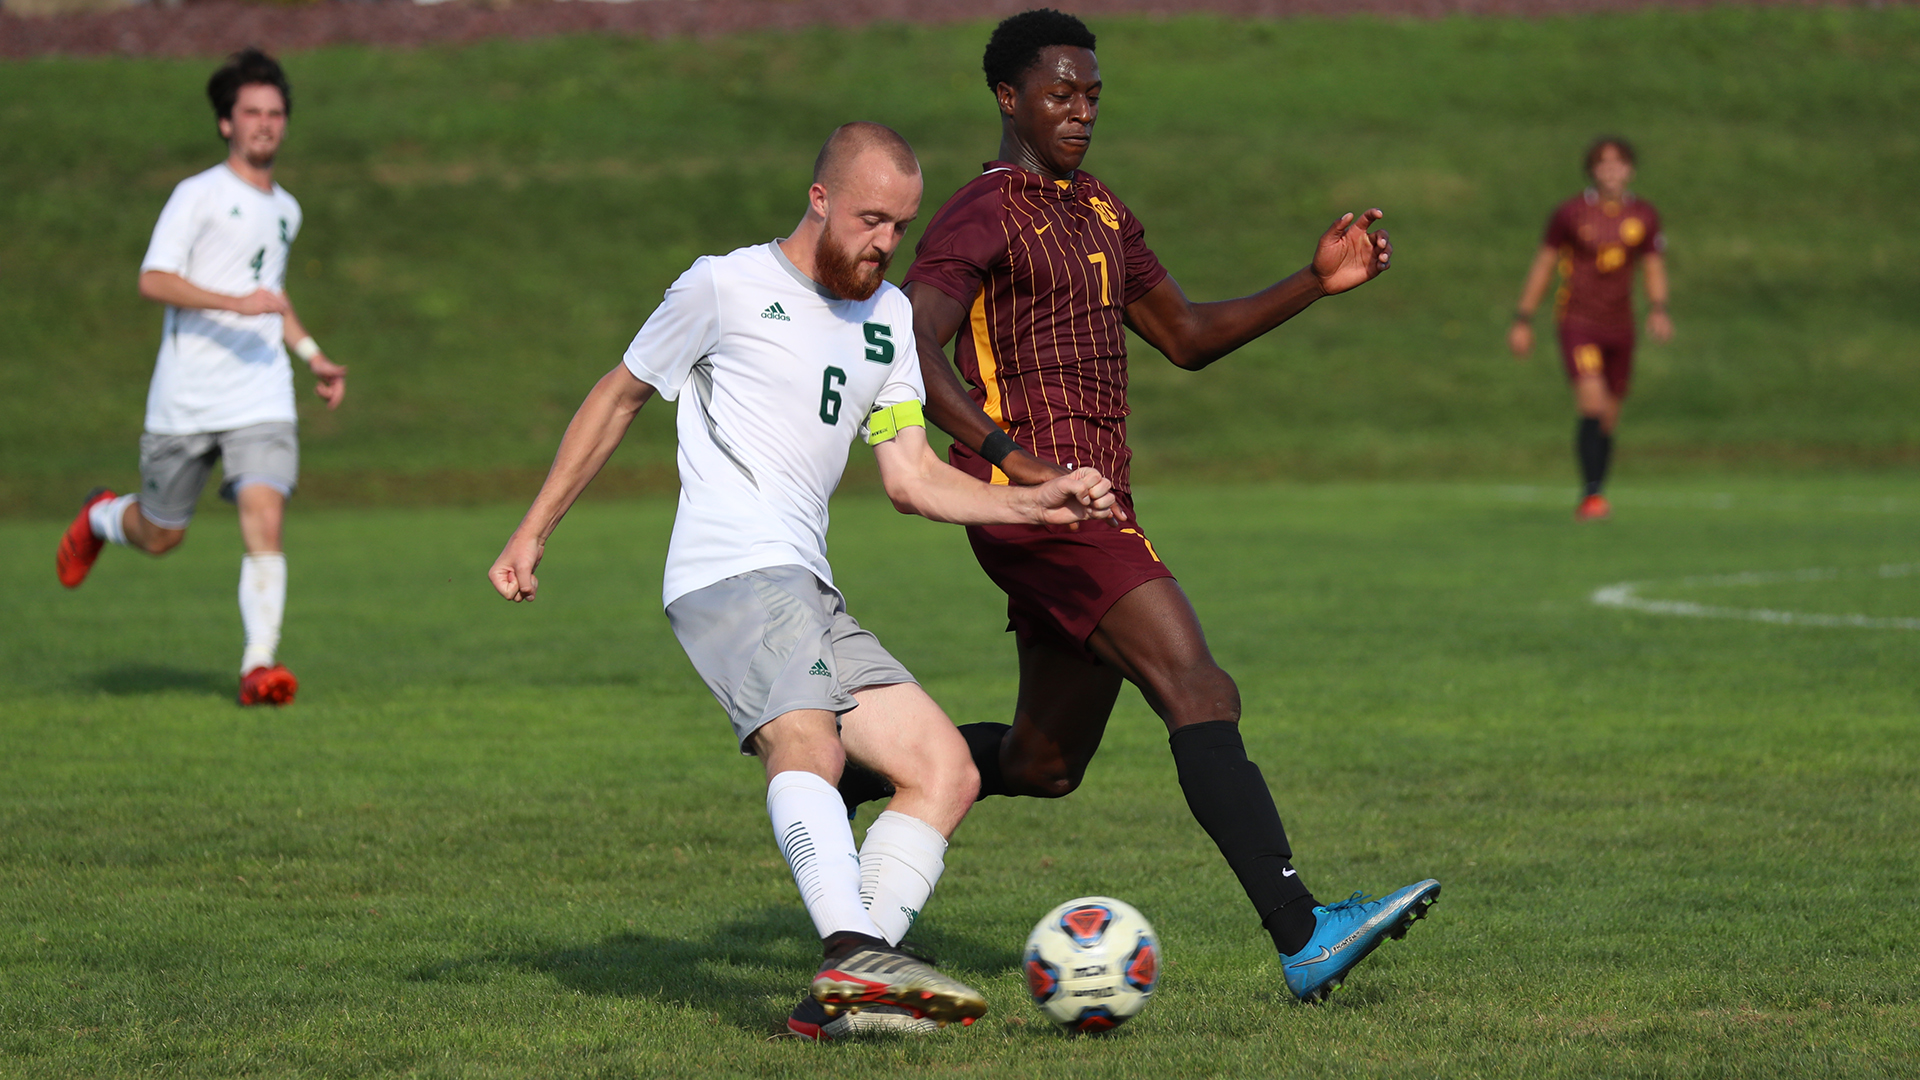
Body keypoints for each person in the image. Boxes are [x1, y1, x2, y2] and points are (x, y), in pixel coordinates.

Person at [841, 9, 1442, 1004]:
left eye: (1091, 96)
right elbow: (909, 344)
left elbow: (1190, 334)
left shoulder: (1102, 211)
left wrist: (1315, 283)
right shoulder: (979, 213)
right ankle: (1304, 933)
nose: (1079, 112)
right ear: (1007, 98)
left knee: (1046, 762)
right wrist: (1011, 461)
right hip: (1041, 508)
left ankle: (859, 771)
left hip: (1089, 504)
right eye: (1058, 94)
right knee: (1199, 690)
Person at [487, 122, 1120, 1040]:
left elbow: (911, 479)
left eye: (900, 226)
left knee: (943, 771)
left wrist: (1034, 501)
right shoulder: (723, 285)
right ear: (819, 199)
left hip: (807, 583)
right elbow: (618, 394)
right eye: (869, 219)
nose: (883, 243)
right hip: (730, 567)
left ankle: (847, 990)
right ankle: (853, 953)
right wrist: (532, 530)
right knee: (810, 745)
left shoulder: (891, 318)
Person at [55, 48, 347, 706]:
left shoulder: (287, 210)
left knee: (264, 516)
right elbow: (152, 279)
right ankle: (102, 517)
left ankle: (259, 665)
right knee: (161, 536)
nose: (265, 124)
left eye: (275, 114)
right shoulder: (198, 195)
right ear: (226, 123)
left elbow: (270, 293)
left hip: (261, 391)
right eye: (251, 113)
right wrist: (234, 302)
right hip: (186, 397)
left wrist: (310, 354)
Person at [1508, 137, 1670, 520]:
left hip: (1621, 324)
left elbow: (1653, 265)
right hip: (1578, 320)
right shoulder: (1570, 213)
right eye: (1603, 164)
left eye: (1619, 163)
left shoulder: (1645, 216)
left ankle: (1597, 488)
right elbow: (1545, 264)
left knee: (1610, 414)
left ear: (1630, 170)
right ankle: (1592, 495)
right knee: (1592, 403)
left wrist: (1659, 309)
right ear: (1591, 170)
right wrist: (1523, 318)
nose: (1611, 170)